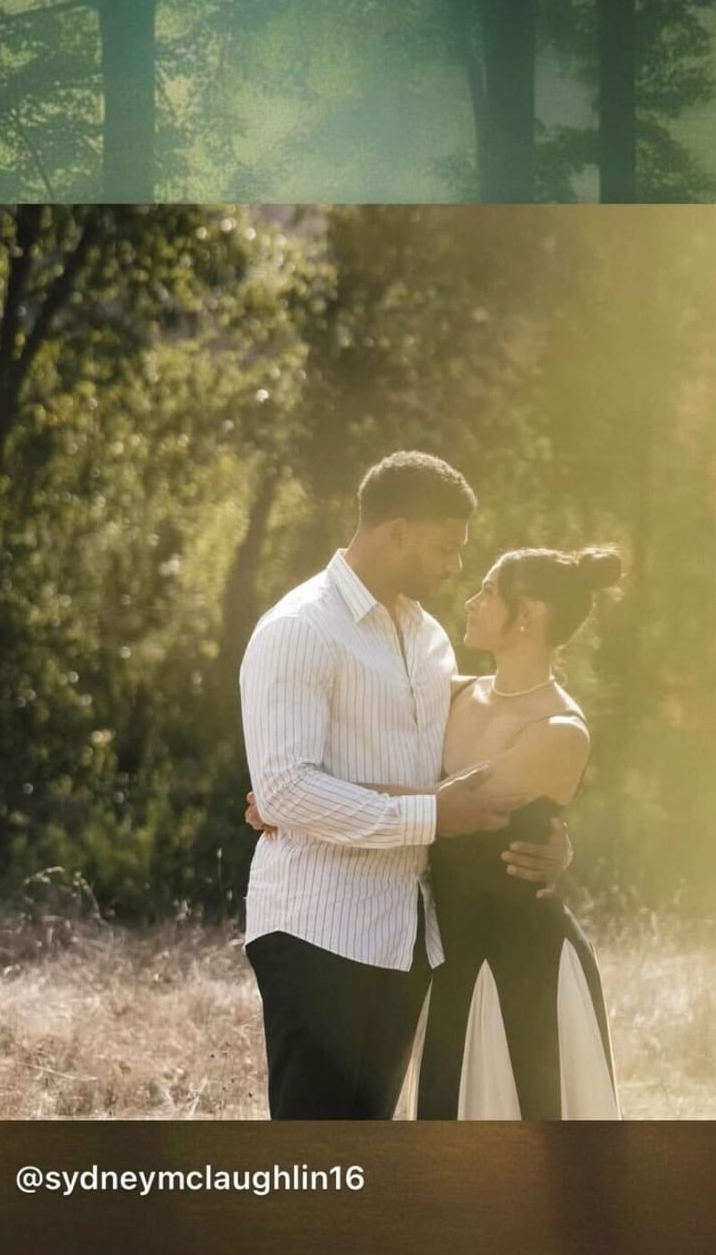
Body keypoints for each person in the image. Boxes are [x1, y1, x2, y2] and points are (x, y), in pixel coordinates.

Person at [239, 451, 569, 1121]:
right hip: (318, 932)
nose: (455, 567)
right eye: (445, 548)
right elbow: (287, 791)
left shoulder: (429, 640)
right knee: (314, 1158)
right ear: (396, 534)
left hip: (406, 937)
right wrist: (429, 816)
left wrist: (551, 832)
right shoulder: (300, 628)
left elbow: (495, 746)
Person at [409, 547, 622, 1119]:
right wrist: (304, 795)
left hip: (526, 966)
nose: (471, 602)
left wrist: (313, 800)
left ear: (526, 614)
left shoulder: (561, 730)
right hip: (449, 956)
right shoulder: (454, 692)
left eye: (487, 592)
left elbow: (445, 806)